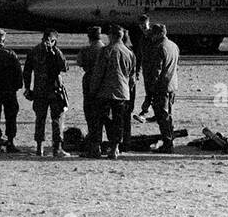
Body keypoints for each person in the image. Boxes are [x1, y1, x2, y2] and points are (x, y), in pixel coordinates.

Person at [86, 23, 135, 159]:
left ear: (111, 36)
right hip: (122, 93)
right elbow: (132, 76)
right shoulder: (130, 53)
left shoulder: (106, 51)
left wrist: (92, 90)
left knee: (99, 120)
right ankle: (115, 149)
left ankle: (96, 149)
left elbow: (98, 73)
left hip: (105, 92)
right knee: (118, 122)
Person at [24, 29, 69, 156]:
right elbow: (65, 67)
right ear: (54, 40)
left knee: (40, 119)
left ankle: (40, 147)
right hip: (54, 90)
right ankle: (57, 148)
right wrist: (55, 51)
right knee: (57, 119)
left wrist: (27, 88)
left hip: (39, 90)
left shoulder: (34, 51)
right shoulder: (55, 52)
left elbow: (27, 71)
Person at [139, 24, 180, 152]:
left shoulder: (158, 48)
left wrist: (149, 95)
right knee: (169, 115)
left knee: (162, 117)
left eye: (153, 34)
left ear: (158, 34)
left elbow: (155, 72)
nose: (150, 37)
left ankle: (168, 145)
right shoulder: (173, 45)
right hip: (172, 86)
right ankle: (170, 141)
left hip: (161, 88)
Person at [0, 30, 23, 152]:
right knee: (11, 117)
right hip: (8, 90)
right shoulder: (10, 54)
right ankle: (10, 142)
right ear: (4, 40)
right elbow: (18, 73)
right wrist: (17, 86)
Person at [77, 26, 105, 152]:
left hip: (89, 80)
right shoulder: (105, 49)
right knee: (103, 112)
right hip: (104, 82)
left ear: (89, 37)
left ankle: (94, 140)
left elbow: (79, 62)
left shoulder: (86, 50)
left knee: (90, 112)